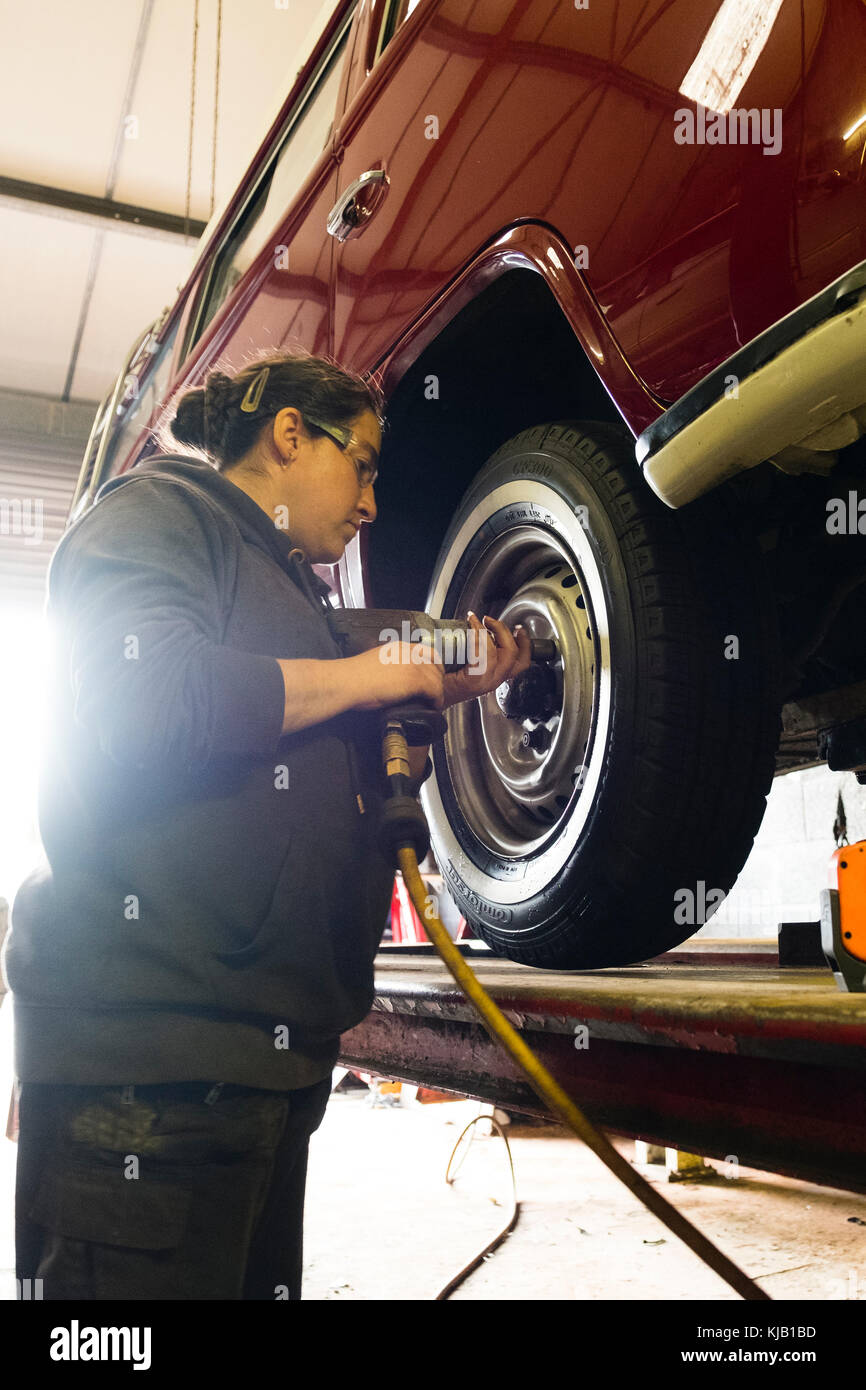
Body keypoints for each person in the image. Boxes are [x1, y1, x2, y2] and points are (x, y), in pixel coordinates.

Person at [4, 350, 531, 1300]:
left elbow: (372, 642)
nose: (372, 501)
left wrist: (482, 652)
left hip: (264, 1067)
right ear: (290, 433)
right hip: (151, 1073)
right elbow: (148, 699)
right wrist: (378, 676)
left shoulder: (291, 593)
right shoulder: (155, 518)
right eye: (363, 463)